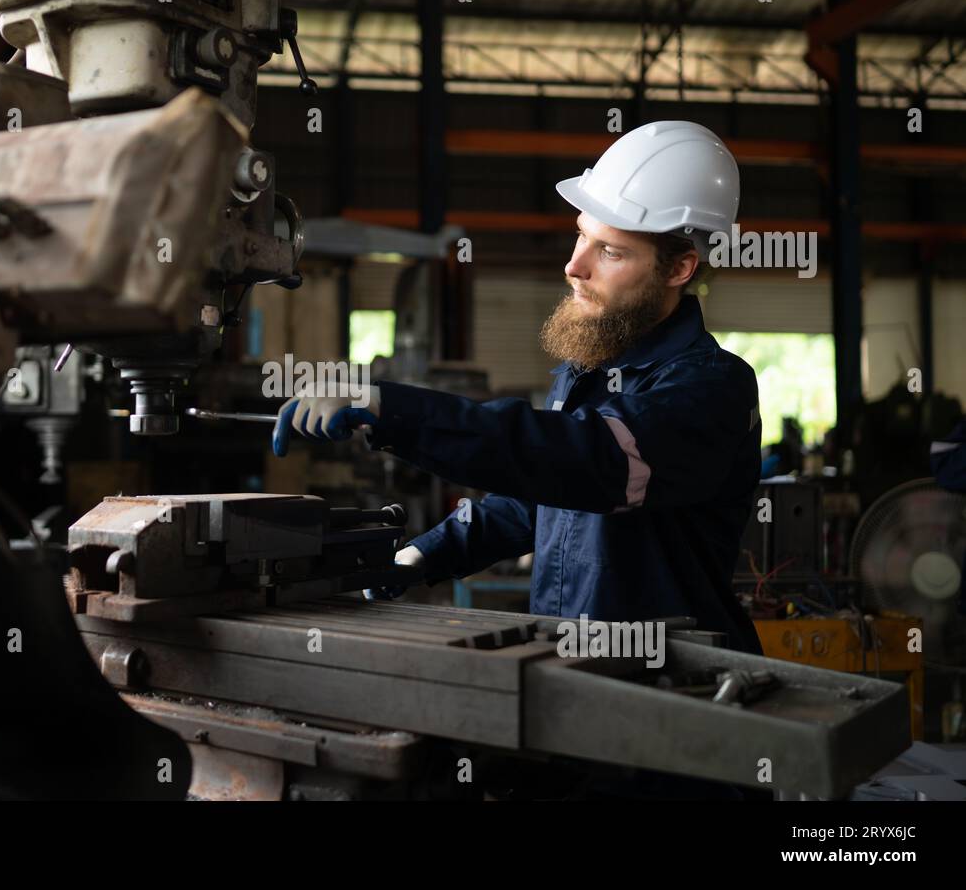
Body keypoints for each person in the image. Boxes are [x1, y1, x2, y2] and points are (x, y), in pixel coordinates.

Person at [272, 121, 763, 655]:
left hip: (675, 686)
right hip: (575, 669)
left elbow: (589, 463)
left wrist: (392, 408)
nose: (575, 266)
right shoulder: (587, 371)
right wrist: (425, 555)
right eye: (581, 234)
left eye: (611, 252)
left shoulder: (712, 387)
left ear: (680, 269)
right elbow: (537, 502)